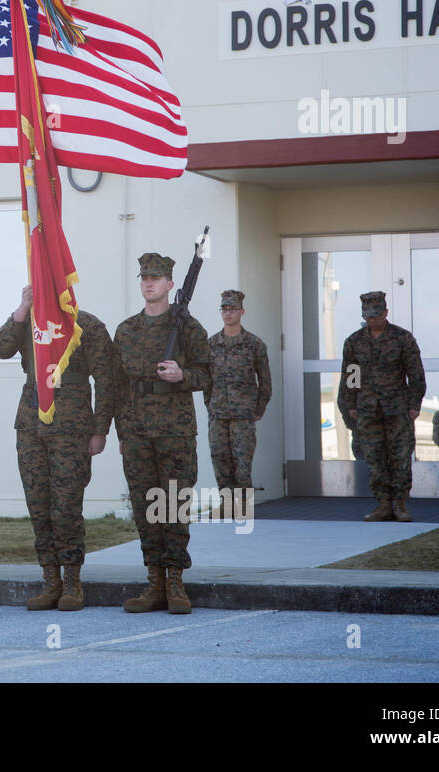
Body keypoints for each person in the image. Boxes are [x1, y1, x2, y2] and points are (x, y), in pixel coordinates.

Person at [0, 285, 113, 612]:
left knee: (66, 507)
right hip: (31, 426)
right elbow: (0, 348)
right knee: (39, 504)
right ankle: (50, 580)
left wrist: (100, 430)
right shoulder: (29, 322)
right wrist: (22, 308)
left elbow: (106, 382)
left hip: (71, 429)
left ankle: (72, 582)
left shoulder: (88, 326)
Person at [114, 253, 211, 615]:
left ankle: (175, 581)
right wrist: (120, 431)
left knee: (172, 503)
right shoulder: (126, 330)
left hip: (175, 430)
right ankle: (154, 580)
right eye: (144, 278)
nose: (148, 283)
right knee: (144, 506)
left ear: (171, 284)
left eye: (156, 278)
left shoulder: (187, 327)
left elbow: (209, 374)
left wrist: (182, 375)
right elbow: (117, 386)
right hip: (137, 432)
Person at [337, 291, 426, 522]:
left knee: (400, 457)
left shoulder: (402, 338)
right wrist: (352, 404)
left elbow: (415, 373)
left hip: (398, 408)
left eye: (376, 315)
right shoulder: (354, 341)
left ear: (386, 313)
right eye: (368, 316)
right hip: (368, 409)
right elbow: (351, 376)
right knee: (375, 458)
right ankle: (383, 504)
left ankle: (400, 504)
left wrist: (414, 405)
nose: (372, 320)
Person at [205, 290, 272, 514]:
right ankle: (226, 503)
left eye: (232, 309)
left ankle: (243, 504)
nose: (228, 313)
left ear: (242, 311)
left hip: (244, 414)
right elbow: (206, 382)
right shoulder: (211, 344)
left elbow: (265, 381)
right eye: (224, 309)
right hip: (218, 414)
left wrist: (258, 409)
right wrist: (211, 406)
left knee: (243, 461)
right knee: (219, 458)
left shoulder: (254, 344)